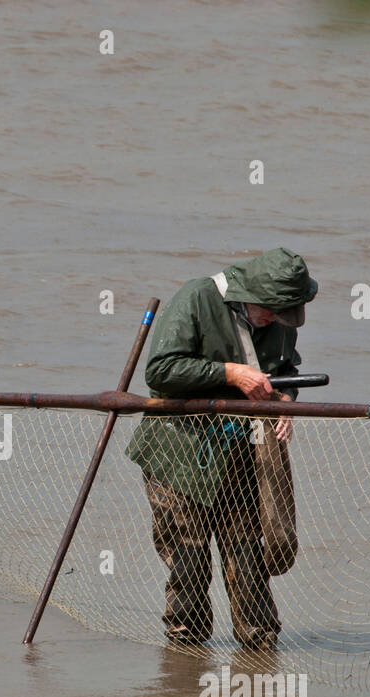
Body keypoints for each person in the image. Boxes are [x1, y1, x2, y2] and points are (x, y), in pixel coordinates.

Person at [125, 247, 317, 650]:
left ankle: (261, 651)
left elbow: (286, 372)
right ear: (248, 294)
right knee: (189, 563)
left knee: (248, 557)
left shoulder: (281, 319)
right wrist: (230, 373)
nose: (276, 321)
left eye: (285, 314)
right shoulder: (197, 297)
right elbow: (160, 370)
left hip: (242, 456)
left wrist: (287, 401)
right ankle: (185, 659)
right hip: (179, 455)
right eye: (270, 312)